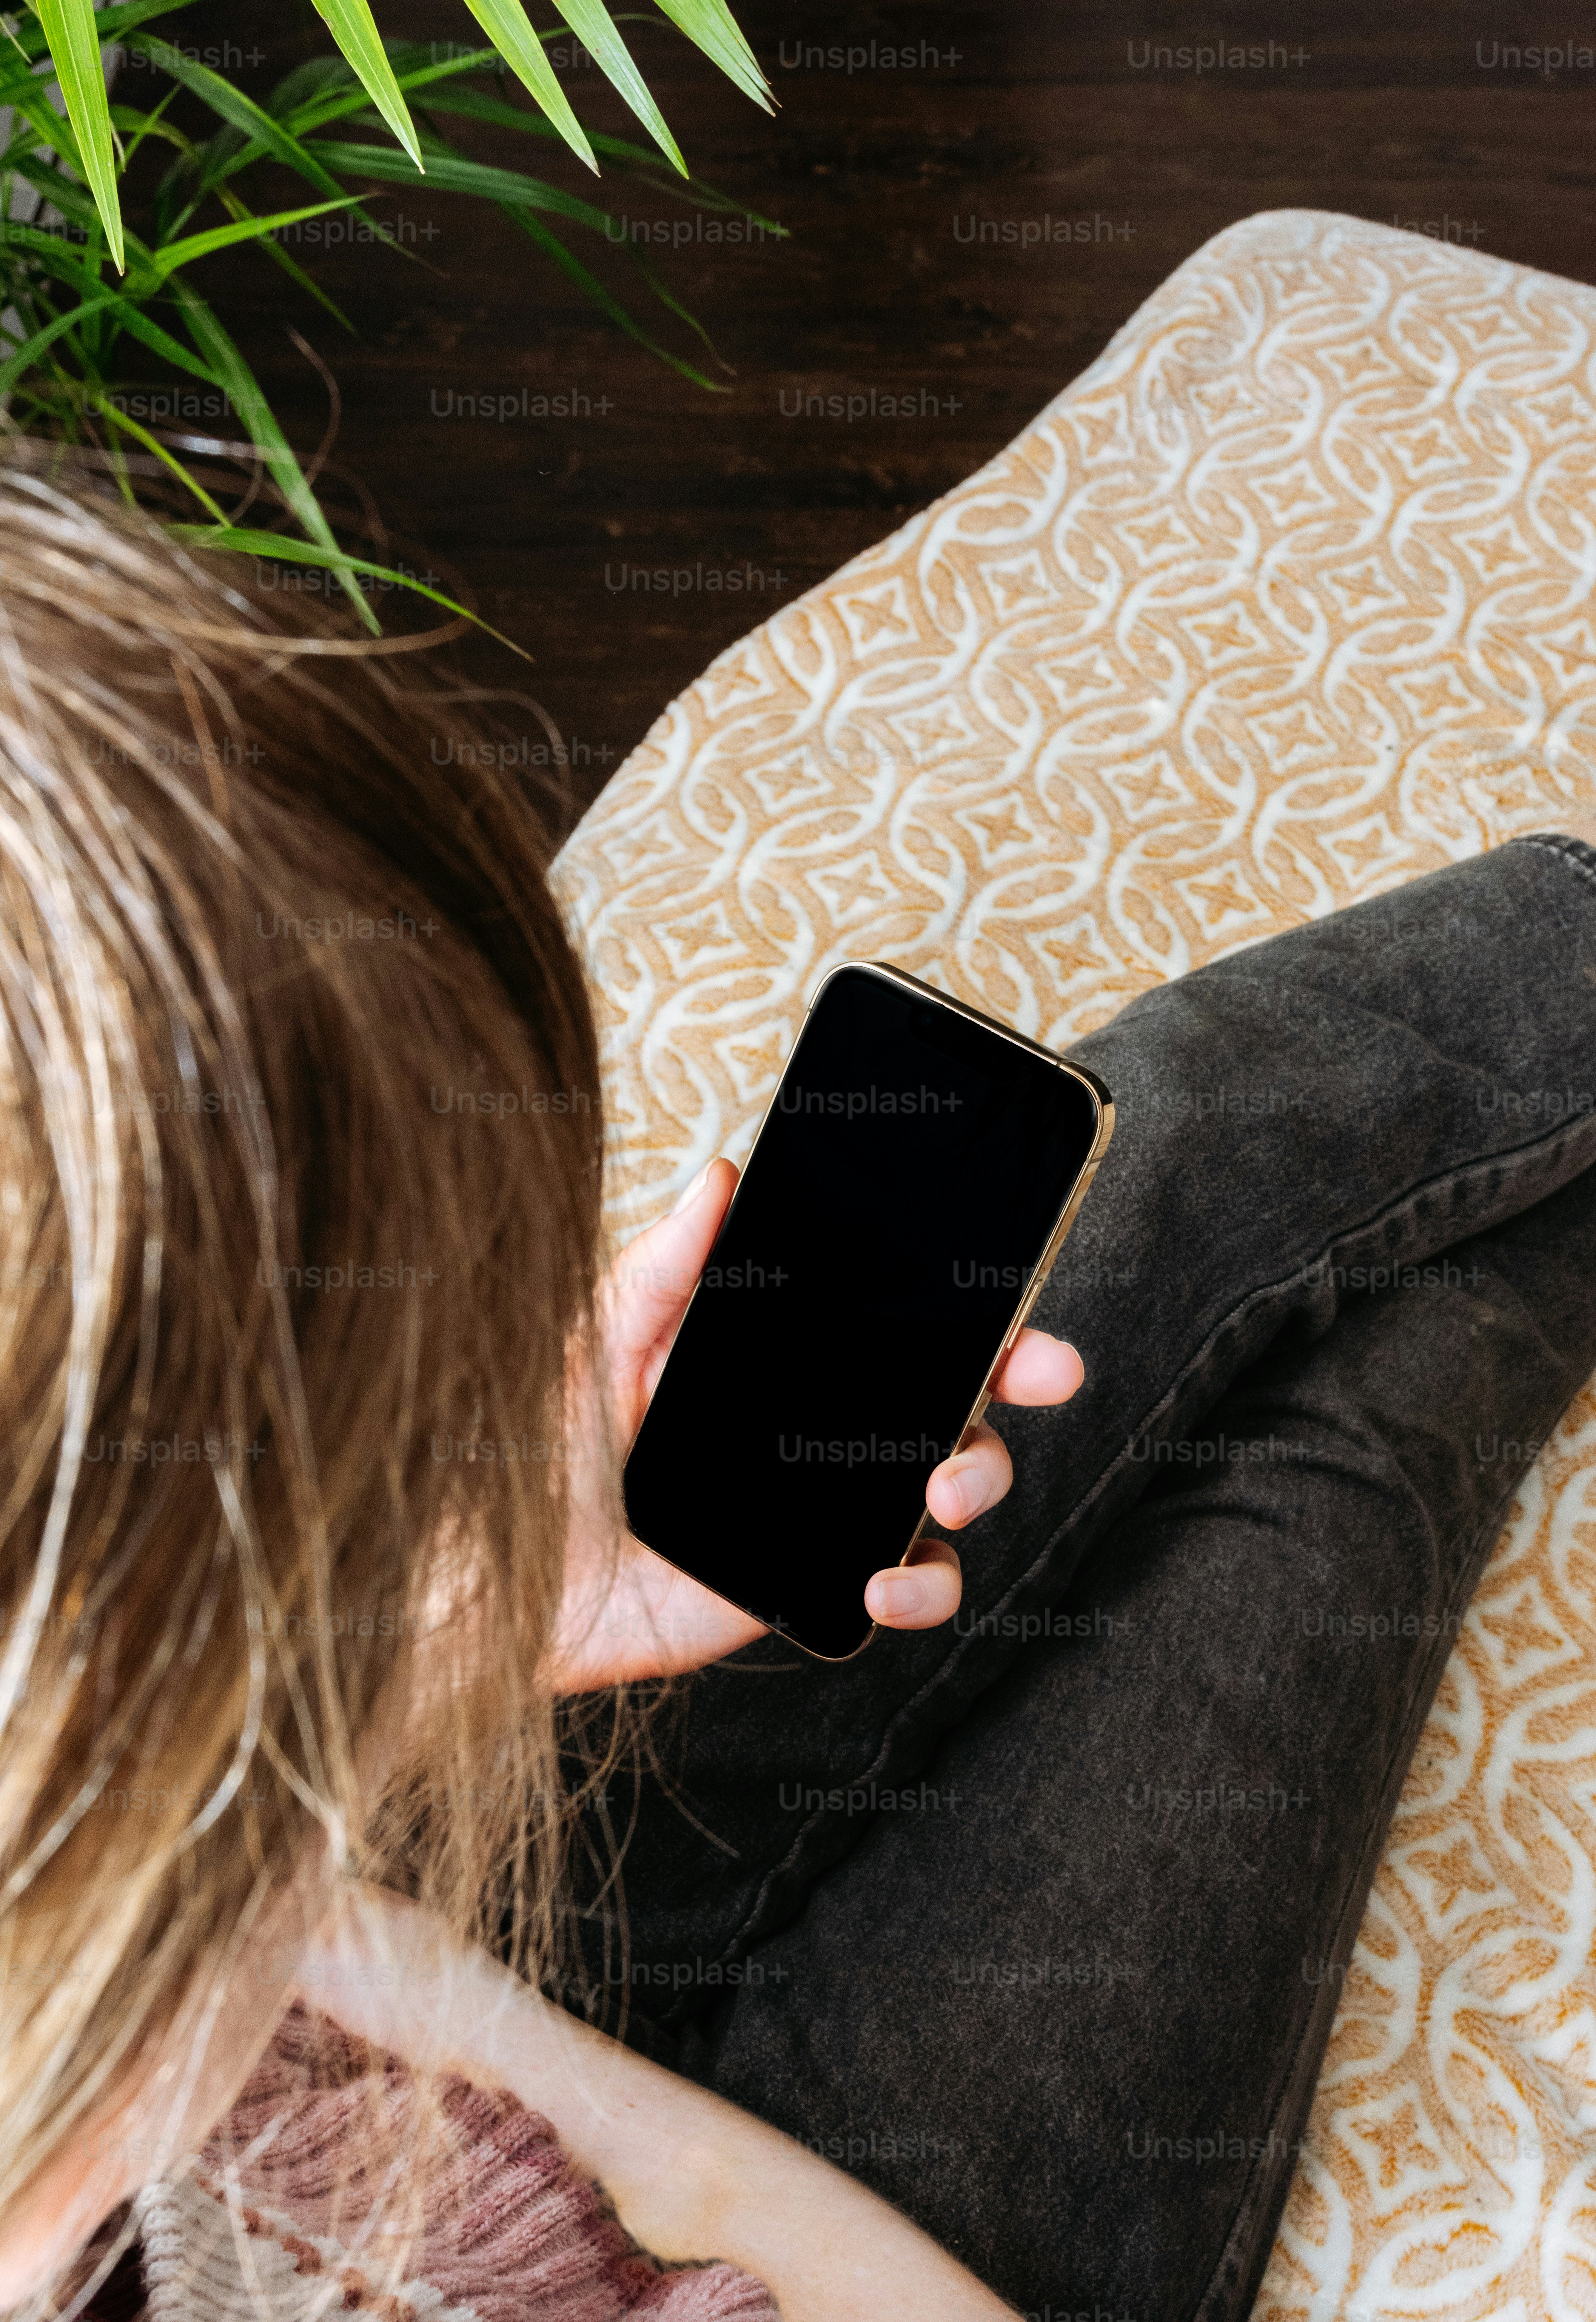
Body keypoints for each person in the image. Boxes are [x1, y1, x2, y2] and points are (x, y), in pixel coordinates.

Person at [0, 453, 1593, 2322]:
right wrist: (591, 2107)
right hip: (833, 2260)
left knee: (1131, 1176)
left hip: (377, 1942)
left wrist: (440, 1634)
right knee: (1345, 1439)